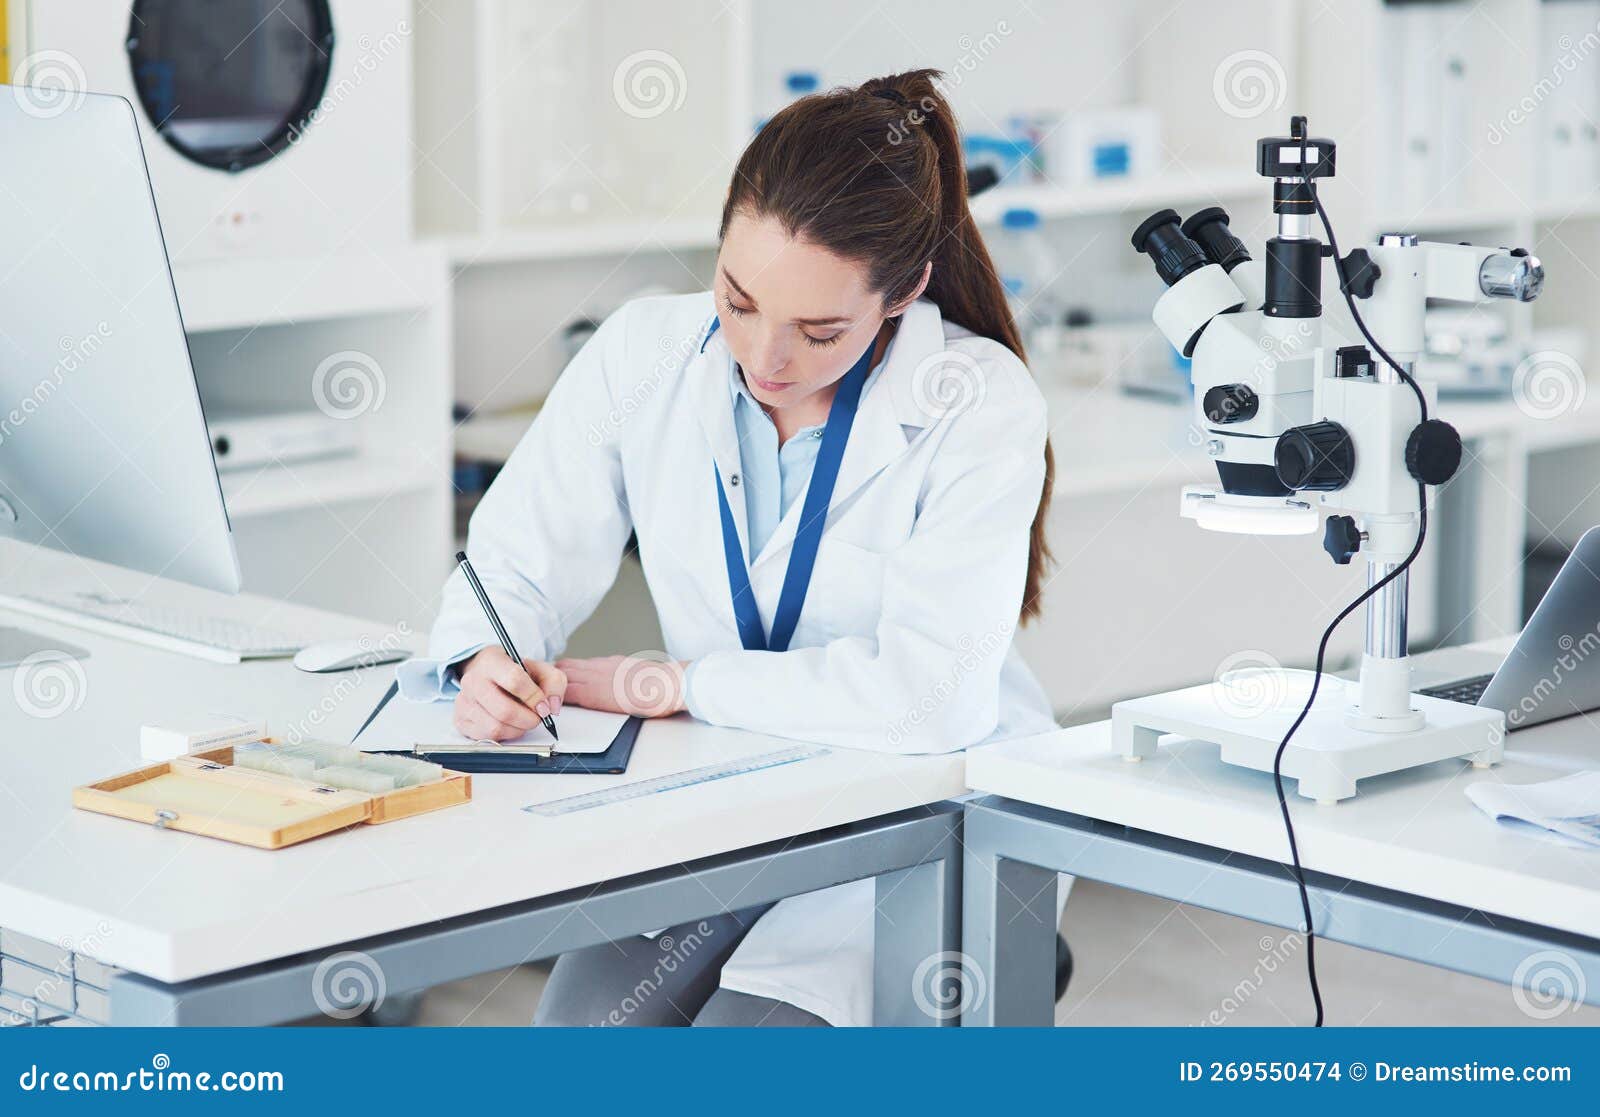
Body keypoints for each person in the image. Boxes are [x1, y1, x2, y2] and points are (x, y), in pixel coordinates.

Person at [398, 68, 1061, 1026]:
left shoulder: (979, 402)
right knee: (579, 1034)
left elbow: (932, 695)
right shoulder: (642, 352)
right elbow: (514, 555)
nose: (763, 359)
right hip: (728, 792)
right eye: (738, 300)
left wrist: (675, 683)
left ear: (906, 292)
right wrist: (483, 654)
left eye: (820, 330)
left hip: (916, 802)